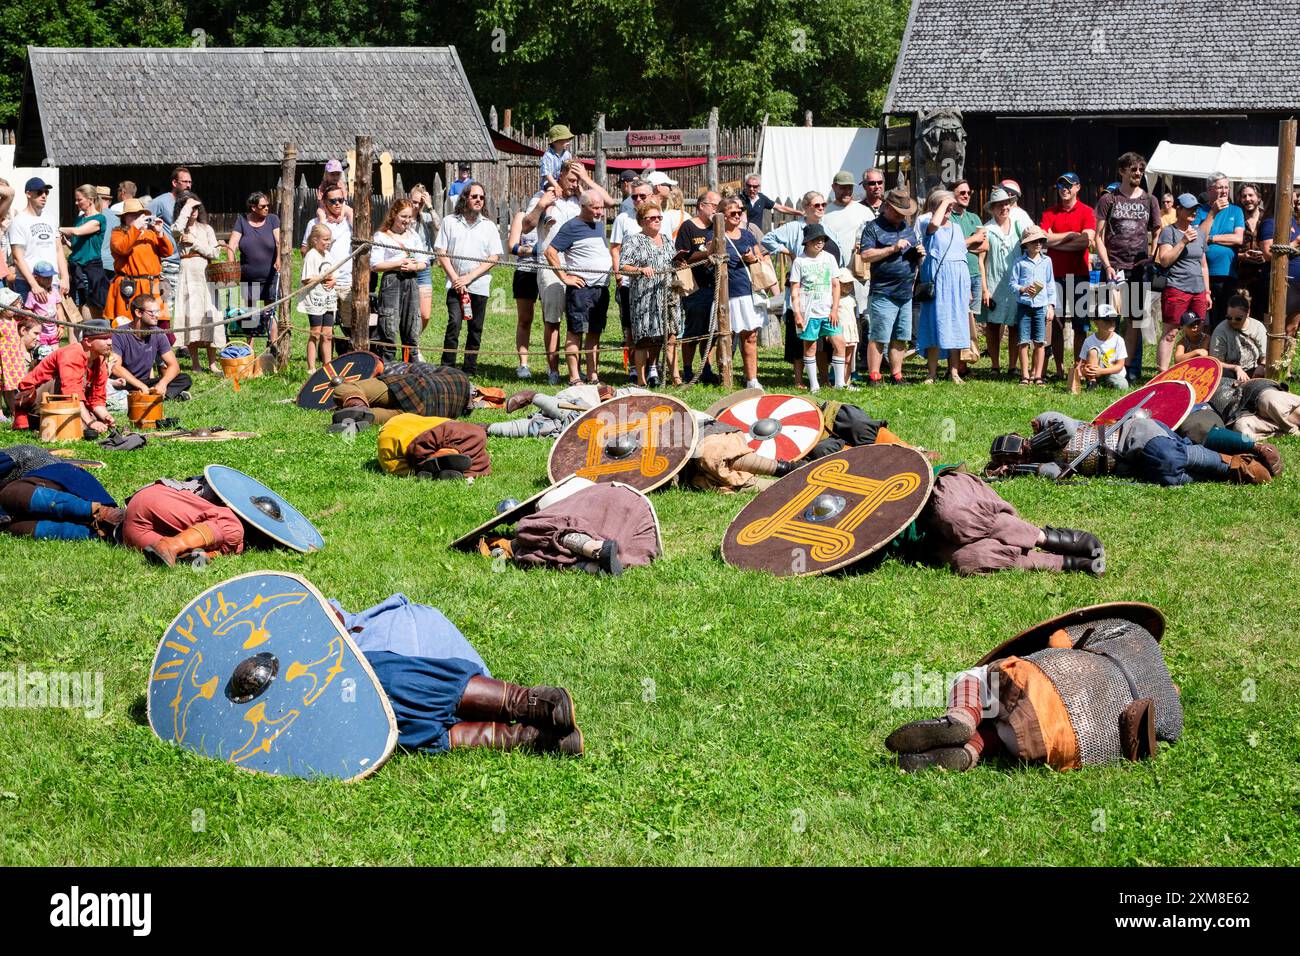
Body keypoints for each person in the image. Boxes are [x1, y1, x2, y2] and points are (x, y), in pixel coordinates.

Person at [884, 606, 1181, 772]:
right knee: (1004, 734)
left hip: (1038, 691)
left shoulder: (1129, 629)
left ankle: (961, 718)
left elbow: (1058, 640)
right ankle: (973, 750)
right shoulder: (1170, 710)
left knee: (974, 678)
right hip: (1067, 750)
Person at [327, 593, 585, 756]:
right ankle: (530, 739)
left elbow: (319, 617)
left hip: (365, 653)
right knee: (372, 717)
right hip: (316, 704)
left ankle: (524, 703)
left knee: (379, 676)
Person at [986, 409, 1279, 486]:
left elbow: (1067, 428)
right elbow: (1050, 473)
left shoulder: (1048, 424)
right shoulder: (1052, 463)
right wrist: (1015, 469)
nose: (1020, 449)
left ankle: (1234, 463)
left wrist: (1032, 444)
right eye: (1012, 452)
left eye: (1017, 445)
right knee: (1171, 478)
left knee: (1169, 458)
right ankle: (1231, 468)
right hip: (1130, 464)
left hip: (1132, 434)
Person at [521, 161, 615, 385]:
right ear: (559, 176)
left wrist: (586, 180)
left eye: (578, 180)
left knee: (583, 324)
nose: (575, 184)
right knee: (553, 320)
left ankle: (583, 371)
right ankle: (554, 370)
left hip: (582, 271)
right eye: (572, 179)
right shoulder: (544, 197)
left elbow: (608, 201)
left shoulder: (581, 200)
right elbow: (526, 226)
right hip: (553, 267)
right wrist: (541, 206)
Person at [480, 478, 660, 577]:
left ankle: (590, 554)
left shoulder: (576, 501)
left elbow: (540, 530)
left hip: (614, 514)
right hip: (645, 532)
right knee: (536, 549)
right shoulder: (600, 493)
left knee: (528, 530)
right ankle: (593, 561)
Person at [762, 192, 843, 387]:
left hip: (824, 298)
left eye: (824, 204)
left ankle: (825, 379)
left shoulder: (828, 231)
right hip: (802, 299)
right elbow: (767, 239)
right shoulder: (793, 228)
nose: (821, 208)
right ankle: (799, 380)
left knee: (824, 344)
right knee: (800, 343)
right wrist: (788, 251)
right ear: (806, 207)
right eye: (817, 205)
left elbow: (839, 256)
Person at [1094, 152, 1162, 384]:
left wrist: (1152, 256)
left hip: (1139, 269)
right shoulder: (1109, 199)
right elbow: (1098, 236)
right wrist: (1107, 265)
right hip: (1114, 267)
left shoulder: (1150, 200)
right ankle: (1103, 370)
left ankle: (1130, 371)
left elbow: (1158, 229)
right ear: (1122, 171)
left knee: (1135, 321)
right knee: (1107, 319)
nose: (1137, 174)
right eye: (1133, 170)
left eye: (1140, 170)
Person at [545, 189, 612, 386]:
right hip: (581, 290)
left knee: (595, 332)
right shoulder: (571, 226)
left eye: (601, 207)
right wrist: (564, 277)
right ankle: (574, 377)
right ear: (583, 207)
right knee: (575, 331)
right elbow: (550, 252)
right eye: (595, 208)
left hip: (600, 288)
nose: (600, 212)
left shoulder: (598, 226)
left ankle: (593, 375)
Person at [434, 185, 501, 376]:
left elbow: (494, 257)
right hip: (455, 284)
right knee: (454, 323)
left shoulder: (488, 225)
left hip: (478, 285)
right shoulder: (450, 222)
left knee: (475, 328)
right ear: (465, 198)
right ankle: (447, 368)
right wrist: (456, 278)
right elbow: (441, 251)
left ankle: (469, 369)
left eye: (481, 196)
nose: (478, 199)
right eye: (474, 196)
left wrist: (469, 278)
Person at [859, 187, 921, 385]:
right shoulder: (873, 228)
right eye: (898, 212)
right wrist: (892, 249)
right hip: (884, 291)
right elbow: (865, 255)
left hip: (905, 291)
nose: (901, 216)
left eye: (904, 213)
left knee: (900, 336)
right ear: (887, 207)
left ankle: (897, 374)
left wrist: (918, 254)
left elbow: (911, 254)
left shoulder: (907, 228)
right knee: (879, 335)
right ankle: (874, 375)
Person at [0, 444, 123, 542]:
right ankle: (100, 534)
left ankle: (102, 512)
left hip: (63, 479)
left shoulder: (21, 453)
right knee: (14, 527)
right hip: (35, 505)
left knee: (9, 493)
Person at [12, 319, 115, 435]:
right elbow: (71, 392)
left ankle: (77, 420)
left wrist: (106, 416)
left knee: (96, 422)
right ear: (88, 341)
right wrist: (90, 422)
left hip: (64, 400)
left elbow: (97, 398)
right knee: (64, 381)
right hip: (34, 403)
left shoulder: (100, 360)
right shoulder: (72, 353)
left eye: (110, 338)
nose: (110, 342)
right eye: (104, 338)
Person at [618, 199, 680, 387]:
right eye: (651, 218)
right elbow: (623, 266)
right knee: (644, 338)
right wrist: (640, 269)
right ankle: (641, 379)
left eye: (659, 217)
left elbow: (672, 260)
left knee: (670, 336)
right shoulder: (634, 240)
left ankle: (676, 377)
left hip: (668, 295)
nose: (656, 220)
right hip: (645, 297)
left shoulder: (667, 239)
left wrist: (679, 262)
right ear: (642, 221)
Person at [1041, 172, 1097, 380]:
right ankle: (1059, 369)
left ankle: (1078, 368)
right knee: (1056, 323)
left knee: (1080, 324)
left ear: (1077, 187)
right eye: (1060, 185)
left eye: (1068, 185)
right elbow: (1043, 240)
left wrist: (1057, 241)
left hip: (1079, 275)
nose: (1064, 188)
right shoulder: (1049, 213)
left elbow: (1085, 242)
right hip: (1054, 276)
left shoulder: (1087, 212)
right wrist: (1070, 236)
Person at [709, 196, 766, 389]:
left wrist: (752, 258)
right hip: (726, 294)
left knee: (750, 336)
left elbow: (761, 258)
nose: (737, 215)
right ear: (722, 216)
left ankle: (752, 379)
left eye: (739, 212)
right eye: (732, 213)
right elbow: (709, 257)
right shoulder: (716, 236)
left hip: (747, 291)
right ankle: (724, 377)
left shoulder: (747, 234)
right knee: (725, 337)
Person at [917, 189, 971, 384]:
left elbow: (962, 256)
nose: (949, 209)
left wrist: (967, 288)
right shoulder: (926, 222)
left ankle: (954, 371)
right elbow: (933, 224)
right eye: (945, 206)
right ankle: (931, 373)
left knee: (956, 324)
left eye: (950, 206)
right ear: (934, 207)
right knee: (935, 323)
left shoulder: (956, 228)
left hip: (957, 284)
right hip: (938, 283)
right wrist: (943, 203)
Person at [1155, 193, 1210, 372]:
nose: (1194, 212)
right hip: (1176, 287)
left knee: (1198, 333)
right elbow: (1164, 260)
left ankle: (1195, 371)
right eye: (1189, 208)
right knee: (1171, 333)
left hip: (1198, 290)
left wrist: (1207, 291)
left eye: (1196, 209)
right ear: (1178, 209)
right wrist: (1183, 241)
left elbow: (1203, 265)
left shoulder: (1200, 233)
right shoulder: (1168, 232)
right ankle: (1162, 374)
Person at [370, 199, 428, 365]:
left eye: (410, 217)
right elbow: (375, 265)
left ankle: (410, 366)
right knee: (389, 323)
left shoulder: (414, 236)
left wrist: (414, 266)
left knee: (412, 323)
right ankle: (386, 365)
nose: (407, 220)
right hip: (392, 281)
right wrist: (398, 263)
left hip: (411, 281)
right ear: (394, 214)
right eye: (403, 216)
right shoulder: (382, 236)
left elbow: (424, 261)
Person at [329, 362, 473, 430]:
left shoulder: (459, 375)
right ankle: (363, 417)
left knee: (346, 388)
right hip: (423, 414)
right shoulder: (458, 410)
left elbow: (416, 368)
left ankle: (357, 406)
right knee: (376, 416)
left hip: (413, 387)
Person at [171, 194, 224, 374]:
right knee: (191, 315)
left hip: (205, 273)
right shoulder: (179, 230)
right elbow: (176, 229)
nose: (193, 212)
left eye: (195, 208)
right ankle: (195, 363)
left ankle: (212, 362)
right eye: (189, 208)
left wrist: (194, 243)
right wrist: (186, 207)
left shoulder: (206, 229)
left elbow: (215, 253)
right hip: (187, 274)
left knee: (210, 315)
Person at [789, 224, 844, 392]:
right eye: (815, 240)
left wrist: (834, 309)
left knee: (839, 344)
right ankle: (814, 385)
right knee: (810, 347)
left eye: (822, 239)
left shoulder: (829, 258)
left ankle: (840, 383)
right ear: (807, 242)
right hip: (809, 312)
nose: (819, 243)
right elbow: (795, 289)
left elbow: (835, 285)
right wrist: (797, 313)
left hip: (828, 310)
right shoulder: (800, 261)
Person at [676, 189, 722, 384]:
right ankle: (687, 369)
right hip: (695, 288)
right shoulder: (688, 227)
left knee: (710, 331)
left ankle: (705, 368)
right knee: (693, 331)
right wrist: (707, 252)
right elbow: (683, 258)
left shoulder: (717, 227)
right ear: (702, 206)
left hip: (716, 286)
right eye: (714, 205)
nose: (717, 209)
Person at [108, 294, 191, 402]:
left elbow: (174, 366)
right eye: (152, 312)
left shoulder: (158, 333)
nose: (157, 316)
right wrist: (141, 386)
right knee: (115, 387)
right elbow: (116, 368)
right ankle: (158, 396)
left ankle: (154, 395)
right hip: (125, 383)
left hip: (147, 382)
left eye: (158, 312)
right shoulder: (119, 334)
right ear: (138, 313)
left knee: (185, 379)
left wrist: (162, 384)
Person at [609, 179, 654, 378]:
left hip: (654, 281)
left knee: (654, 325)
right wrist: (619, 275)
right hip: (629, 281)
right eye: (633, 196)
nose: (637, 200)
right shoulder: (623, 219)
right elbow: (615, 249)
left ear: (651, 196)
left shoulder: (658, 218)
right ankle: (635, 370)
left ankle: (652, 368)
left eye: (642, 196)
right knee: (631, 327)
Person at [301, 182, 353, 352]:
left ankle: (349, 357)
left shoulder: (350, 220)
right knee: (321, 330)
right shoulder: (314, 223)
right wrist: (323, 222)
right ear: (324, 203)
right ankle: (322, 363)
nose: (337, 204)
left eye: (341, 200)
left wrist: (350, 214)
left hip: (346, 280)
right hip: (322, 284)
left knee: (349, 325)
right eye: (332, 201)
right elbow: (305, 250)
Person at [488, 382, 639, 439]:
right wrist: (603, 411)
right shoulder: (642, 396)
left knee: (544, 428)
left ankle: (488, 428)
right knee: (578, 418)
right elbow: (606, 390)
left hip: (572, 421)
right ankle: (533, 396)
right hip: (572, 401)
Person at [225, 192, 279, 345]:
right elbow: (232, 245)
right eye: (263, 206)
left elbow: (279, 242)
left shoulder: (273, 220)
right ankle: (249, 346)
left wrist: (278, 258)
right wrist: (231, 265)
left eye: (268, 205)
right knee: (251, 312)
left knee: (271, 310)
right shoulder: (242, 221)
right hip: (249, 277)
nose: (267, 208)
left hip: (269, 276)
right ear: (253, 208)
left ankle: (272, 344)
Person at [979, 186, 1023, 374]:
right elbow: (980, 261)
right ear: (993, 208)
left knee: (1014, 325)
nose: (1004, 208)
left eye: (1006, 204)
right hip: (993, 281)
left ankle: (1013, 366)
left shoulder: (1018, 226)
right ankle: (995, 365)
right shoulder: (986, 229)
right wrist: (984, 289)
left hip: (1014, 282)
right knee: (993, 325)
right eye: (999, 205)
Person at [1193, 172, 1245, 328]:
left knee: (1223, 317)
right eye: (1220, 187)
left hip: (1226, 273)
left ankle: (1220, 350)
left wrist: (1211, 238)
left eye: (1226, 187)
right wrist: (1212, 213)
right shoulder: (1200, 211)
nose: (1224, 191)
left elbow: (1238, 239)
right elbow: (1197, 238)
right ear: (1210, 190)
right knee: (1202, 318)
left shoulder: (1236, 211)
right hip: (1200, 273)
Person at [7, 177, 68, 303]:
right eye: (39, 192)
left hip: (52, 281)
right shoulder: (19, 221)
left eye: (46, 192)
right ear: (28, 194)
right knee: (30, 322)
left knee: (53, 321)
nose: (44, 195)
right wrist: (34, 284)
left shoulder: (50, 218)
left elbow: (58, 250)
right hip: (27, 283)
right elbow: (18, 258)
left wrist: (65, 277)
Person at [947, 180, 988, 369]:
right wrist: (971, 240)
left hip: (974, 273)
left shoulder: (974, 218)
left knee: (970, 320)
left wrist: (962, 244)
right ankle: (956, 366)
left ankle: (965, 360)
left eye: (969, 192)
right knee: (957, 318)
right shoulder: (948, 218)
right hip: (956, 274)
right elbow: (947, 247)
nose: (966, 195)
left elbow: (985, 246)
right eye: (962, 192)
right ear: (952, 195)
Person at [376, 413, 489, 480]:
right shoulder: (463, 428)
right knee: (477, 439)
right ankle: (441, 457)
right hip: (406, 441)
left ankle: (436, 463)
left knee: (478, 450)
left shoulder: (406, 418)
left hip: (392, 461)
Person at [1010, 225, 1056, 386]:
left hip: (1041, 306)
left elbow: (1050, 284)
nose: (1038, 244)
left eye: (1041, 241)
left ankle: (1038, 375)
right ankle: (1024, 375)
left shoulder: (1047, 261)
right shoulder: (1019, 262)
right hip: (1024, 306)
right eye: (1034, 241)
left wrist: (1051, 305)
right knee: (1023, 341)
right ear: (1026, 244)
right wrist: (1022, 289)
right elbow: (1012, 284)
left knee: (1040, 342)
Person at [59, 184, 109, 320]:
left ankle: (92, 334)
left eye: (79, 199)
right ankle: (77, 339)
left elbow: (78, 232)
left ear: (91, 199)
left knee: (90, 304)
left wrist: (57, 228)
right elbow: (77, 246)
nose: (76, 203)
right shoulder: (79, 219)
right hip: (76, 266)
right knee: (74, 304)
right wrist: (66, 243)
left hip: (90, 268)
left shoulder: (99, 219)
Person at [147, 166, 191, 317]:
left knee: (184, 305)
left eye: (190, 182)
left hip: (186, 260)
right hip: (167, 261)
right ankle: (164, 337)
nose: (188, 185)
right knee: (165, 304)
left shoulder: (189, 203)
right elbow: (144, 220)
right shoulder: (161, 202)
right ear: (174, 182)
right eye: (184, 181)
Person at [1259, 185, 1300, 340]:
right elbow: (1269, 253)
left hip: (1296, 285)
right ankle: (1272, 361)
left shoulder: (1293, 221)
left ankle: (1286, 362)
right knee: (1276, 327)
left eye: (1296, 202)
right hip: (1281, 282)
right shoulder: (1271, 222)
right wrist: (1295, 243)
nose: (1295, 206)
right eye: (1292, 202)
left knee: (1293, 328)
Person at [507, 205, 541, 379]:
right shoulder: (522, 215)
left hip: (548, 271)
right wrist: (534, 250)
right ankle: (523, 365)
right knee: (525, 319)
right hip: (525, 271)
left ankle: (553, 367)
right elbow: (512, 247)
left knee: (551, 321)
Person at [298, 223, 338, 372]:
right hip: (315, 300)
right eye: (325, 240)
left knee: (327, 334)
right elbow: (306, 279)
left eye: (329, 240)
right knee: (315, 333)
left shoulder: (328, 255)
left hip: (328, 300)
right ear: (315, 240)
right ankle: (311, 367)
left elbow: (334, 273)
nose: (328, 243)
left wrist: (334, 279)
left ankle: (327, 366)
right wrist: (323, 277)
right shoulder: (311, 255)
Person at [1209, 294, 1269, 380]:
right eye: (1229, 318)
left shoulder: (1258, 327)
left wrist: (1262, 365)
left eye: (1238, 318)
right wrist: (1236, 368)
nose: (1233, 321)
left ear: (1248, 313)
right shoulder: (1220, 330)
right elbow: (1216, 362)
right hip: (1230, 371)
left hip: (1254, 370)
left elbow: (1267, 355)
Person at [823, 170, 872, 269]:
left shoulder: (865, 212)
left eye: (850, 188)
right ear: (833, 187)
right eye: (843, 188)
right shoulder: (824, 213)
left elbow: (874, 238)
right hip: (831, 270)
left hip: (858, 269)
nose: (847, 192)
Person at [0, 308, 41, 421]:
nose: (39, 338)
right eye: (36, 333)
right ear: (23, 331)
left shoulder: (13, 321)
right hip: (5, 360)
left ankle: (16, 412)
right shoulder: (3, 323)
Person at [1073, 307, 1128, 391]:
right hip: (1095, 374)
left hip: (1112, 373)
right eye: (1107, 320)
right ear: (1096, 322)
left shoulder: (1119, 340)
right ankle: (1092, 382)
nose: (1111, 323)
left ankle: (1105, 383)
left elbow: (1120, 366)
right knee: (1093, 351)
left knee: (1123, 386)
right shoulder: (1089, 341)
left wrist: (1101, 371)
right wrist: (1084, 371)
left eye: (1113, 320)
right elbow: (1082, 364)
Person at [1236, 183, 1269, 310]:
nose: (1247, 199)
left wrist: (1265, 255)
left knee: (1262, 315)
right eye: (1244, 196)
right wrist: (1241, 257)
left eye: (1251, 195)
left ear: (1259, 198)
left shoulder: (1267, 218)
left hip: (1264, 276)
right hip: (1241, 277)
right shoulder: (1236, 218)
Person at [23, 262, 63, 359]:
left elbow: (59, 308)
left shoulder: (54, 291)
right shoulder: (33, 294)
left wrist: (61, 325)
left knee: (56, 357)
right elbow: (26, 310)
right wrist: (37, 318)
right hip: (41, 335)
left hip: (53, 333)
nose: (49, 280)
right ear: (36, 278)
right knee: (40, 358)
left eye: (50, 277)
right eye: (46, 277)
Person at [315, 159, 354, 226]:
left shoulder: (341, 184)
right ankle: (322, 231)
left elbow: (344, 201)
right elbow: (321, 203)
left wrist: (341, 215)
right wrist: (329, 214)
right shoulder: (323, 185)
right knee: (320, 213)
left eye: (338, 174)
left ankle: (354, 230)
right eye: (332, 174)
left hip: (340, 208)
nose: (335, 177)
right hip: (326, 208)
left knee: (350, 211)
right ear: (326, 174)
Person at [540, 124, 574, 190]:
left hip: (562, 181)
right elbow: (547, 174)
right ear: (555, 142)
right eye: (565, 140)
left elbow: (569, 170)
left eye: (568, 140)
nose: (568, 142)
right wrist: (556, 186)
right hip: (550, 183)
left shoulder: (567, 154)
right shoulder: (548, 156)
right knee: (551, 189)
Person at [95, 186, 119, 281]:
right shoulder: (119, 216)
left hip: (95, 263)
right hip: (113, 263)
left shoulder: (93, 217)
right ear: (109, 201)